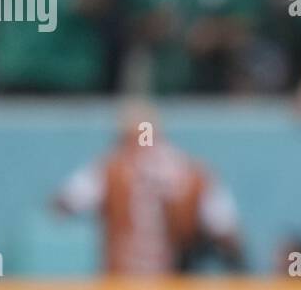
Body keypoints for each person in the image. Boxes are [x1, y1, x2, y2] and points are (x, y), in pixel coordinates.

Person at [51, 104, 245, 276]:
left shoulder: (109, 168)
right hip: (172, 288)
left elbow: (65, 202)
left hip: (121, 283)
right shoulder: (192, 171)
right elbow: (225, 229)